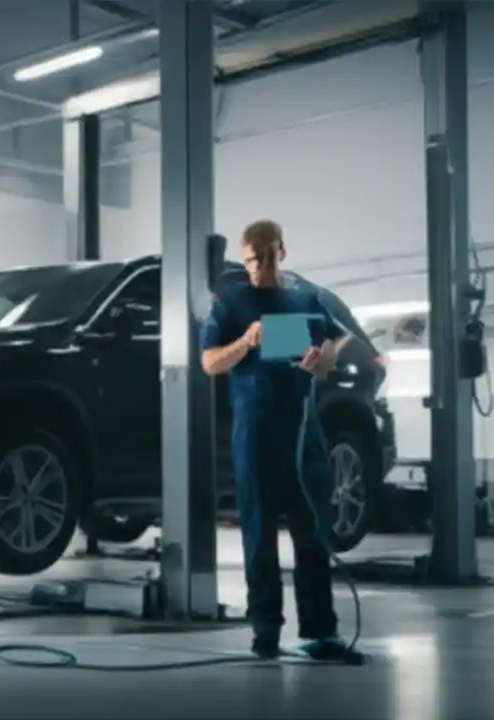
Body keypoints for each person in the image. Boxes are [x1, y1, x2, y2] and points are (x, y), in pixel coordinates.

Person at [199, 219, 357, 661]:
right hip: (255, 437)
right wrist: (246, 343)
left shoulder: (303, 299)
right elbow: (210, 362)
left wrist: (323, 357)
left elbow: (335, 339)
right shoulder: (232, 303)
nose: (260, 266)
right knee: (259, 536)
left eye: (267, 256)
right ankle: (265, 630)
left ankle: (320, 630)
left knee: (312, 534)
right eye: (252, 259)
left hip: (304, 437)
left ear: (281, 252)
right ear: (245, 258)